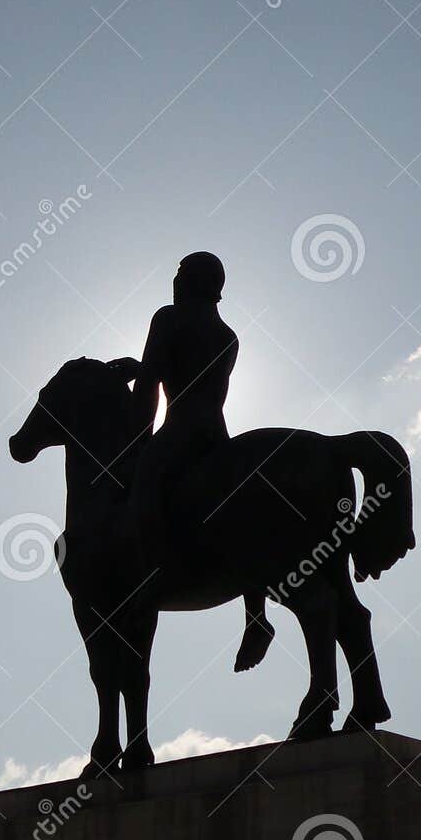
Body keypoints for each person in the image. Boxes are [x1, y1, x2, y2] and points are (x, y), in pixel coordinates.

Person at [129, 252, 274, 672]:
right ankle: (256, 615)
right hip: (217, 433)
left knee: (143, 483)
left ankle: (152, 574)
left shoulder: (168, 318)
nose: (173, 280)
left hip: (180, 431)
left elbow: (150, 384)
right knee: (242, 509)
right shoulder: (228, 335)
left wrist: (137, 439)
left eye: (180, 273)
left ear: (193, 280)